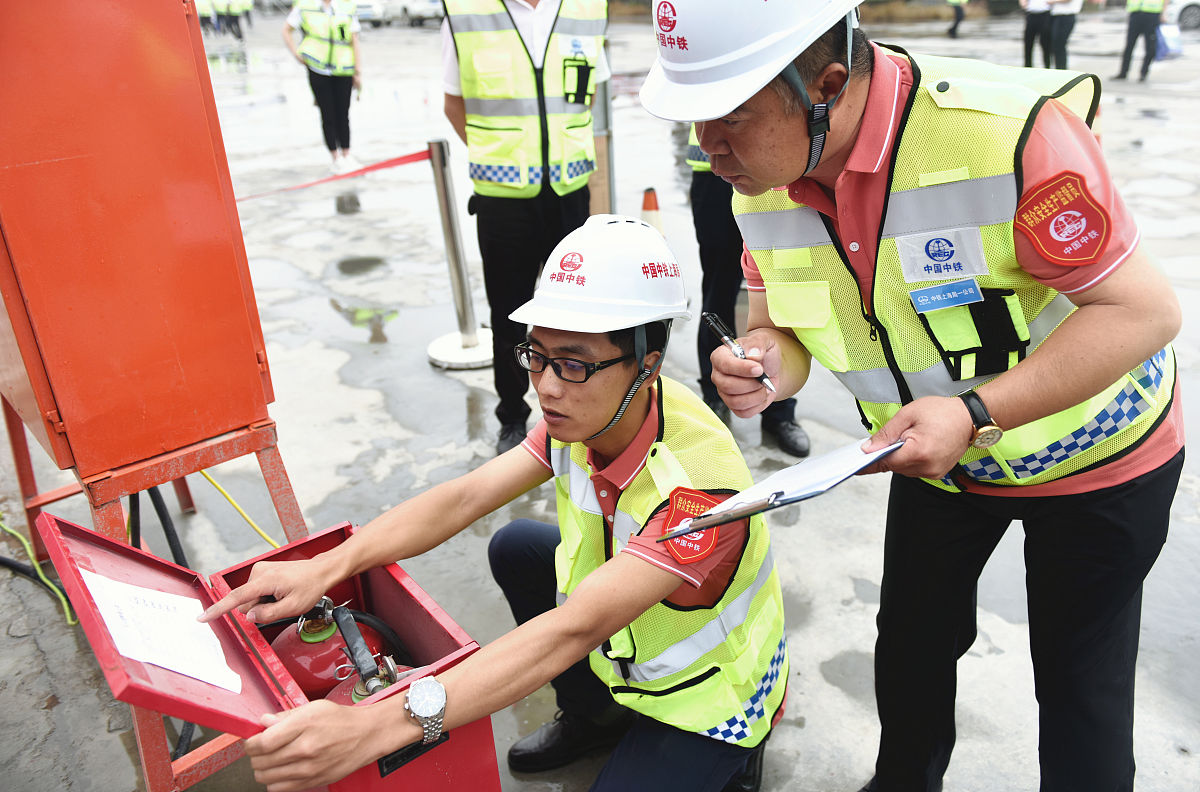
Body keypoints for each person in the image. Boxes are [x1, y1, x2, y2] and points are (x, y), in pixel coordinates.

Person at [639, 1, 1184, 791]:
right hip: (938, 460)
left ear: (827, 85)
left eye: (729, 116)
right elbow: (778, 326)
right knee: (910, 648)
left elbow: (1143, 312)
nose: (706, 145)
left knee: (1079, 686)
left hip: (1096, 455)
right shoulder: (760, 180)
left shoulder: (1005, 136)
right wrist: (763, 364)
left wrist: (974, 413)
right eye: (695, 118)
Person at [200, 215, 789, 792]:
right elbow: (466, 497)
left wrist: (373, 727)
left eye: (574, 363)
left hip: (708, 698)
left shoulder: (701, 492)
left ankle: (738, 757)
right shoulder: (595, 413)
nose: (547, 386)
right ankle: (596, 717)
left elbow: (573, 630)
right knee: (517, 546)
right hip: (627, 638)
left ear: (647, 366)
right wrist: (326, 566)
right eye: (538, 356)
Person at [441, 0, 609, 455]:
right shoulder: (465, 12)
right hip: (503, 198)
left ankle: (579, 411)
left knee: (576, 314)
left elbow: (588, 94)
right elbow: (454, 103)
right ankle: (513, 416)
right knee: (508, 313)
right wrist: (501, 154)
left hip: (569, 191)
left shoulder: (587, 8)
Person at [686, 124, 811, 458]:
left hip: (773, 165)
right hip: (712, 172)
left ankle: (779, 409)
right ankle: (715, 396)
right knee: (719, 284)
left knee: (779, 284)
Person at [284, 0, 362, 174]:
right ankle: (336, 157)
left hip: (343, 68)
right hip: (318, 69)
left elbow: (354, 40)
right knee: (328, 114)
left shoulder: (346, 6)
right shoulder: (305, 6)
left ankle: (347, 154)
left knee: (343, 113)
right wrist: (297, 54)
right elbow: (286, 30)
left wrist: (358, 71)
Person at [1116, 0, 1164, 82]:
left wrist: (1163, 13)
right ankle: (1123, 72)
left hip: (1152, 15)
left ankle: (1143, 73)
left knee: (1150, 48)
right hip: (1135, 13)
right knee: (1129, 45)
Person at [1049, 0, 1082, 69]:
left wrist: (1052, 1)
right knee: (1055, 46)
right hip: (1055, 16)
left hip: (1066, 17)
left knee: (1059, 45)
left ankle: (1062, 69)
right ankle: (1059, 68)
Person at [1020, 0, 1053, 68]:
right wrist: (1023, 3)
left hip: (1045, 14)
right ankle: (1028, 67)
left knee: (1045, 43)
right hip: (1031, 14)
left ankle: (1047, 67)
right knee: (1028, 42)